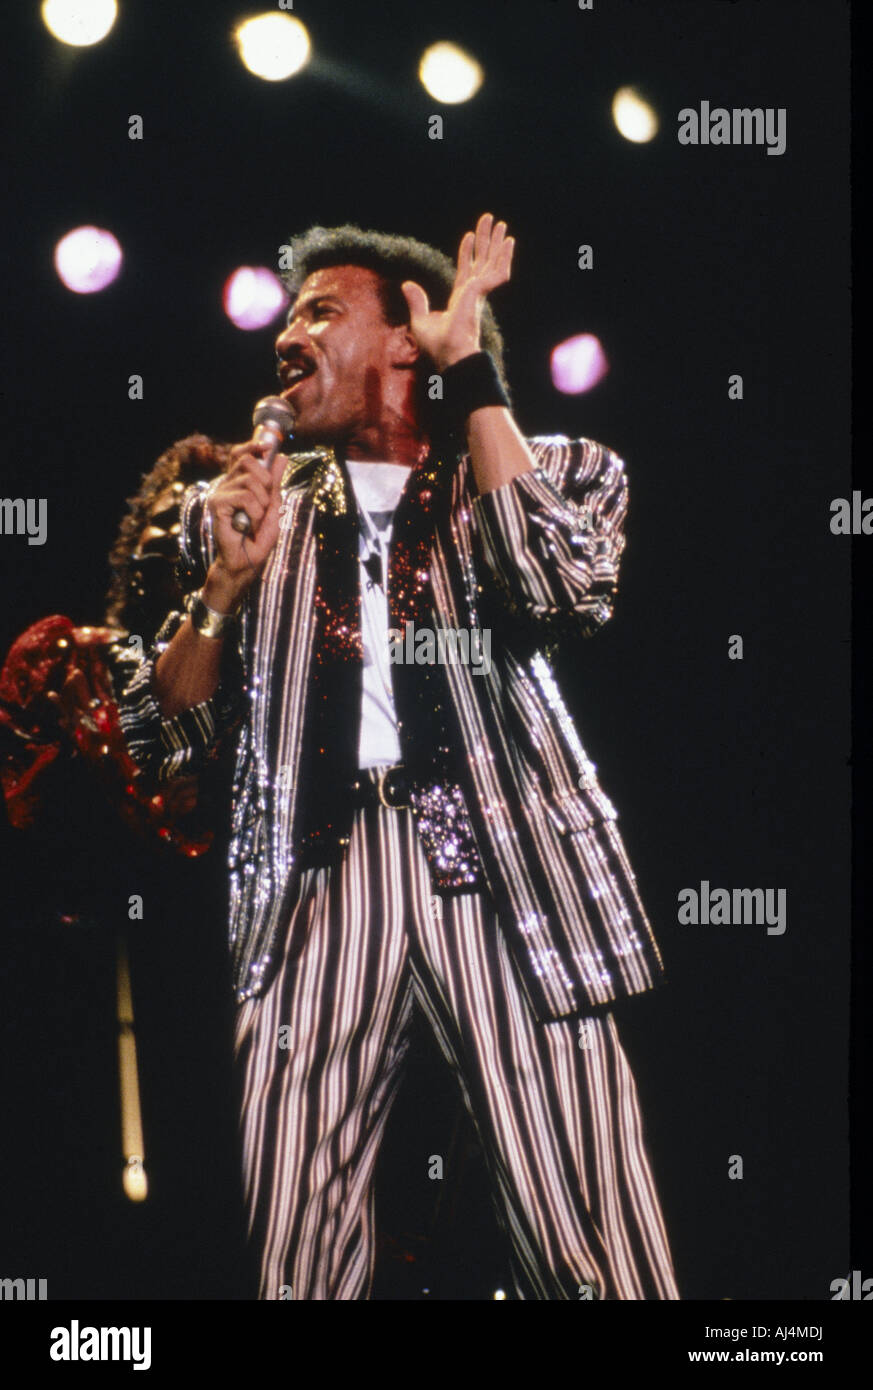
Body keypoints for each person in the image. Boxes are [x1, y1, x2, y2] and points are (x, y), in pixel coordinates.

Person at [118, 213, 680, 1300]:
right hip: (314, 881)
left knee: (586, 1237)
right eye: (288, 313)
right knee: (298, 1247)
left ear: (407, 342)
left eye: (321, 310)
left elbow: (559, 590)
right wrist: (221, 598)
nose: (287, 333)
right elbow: (166, 736)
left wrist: (473, 372)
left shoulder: (547, 467)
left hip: (505, 872)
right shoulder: (242, 513)